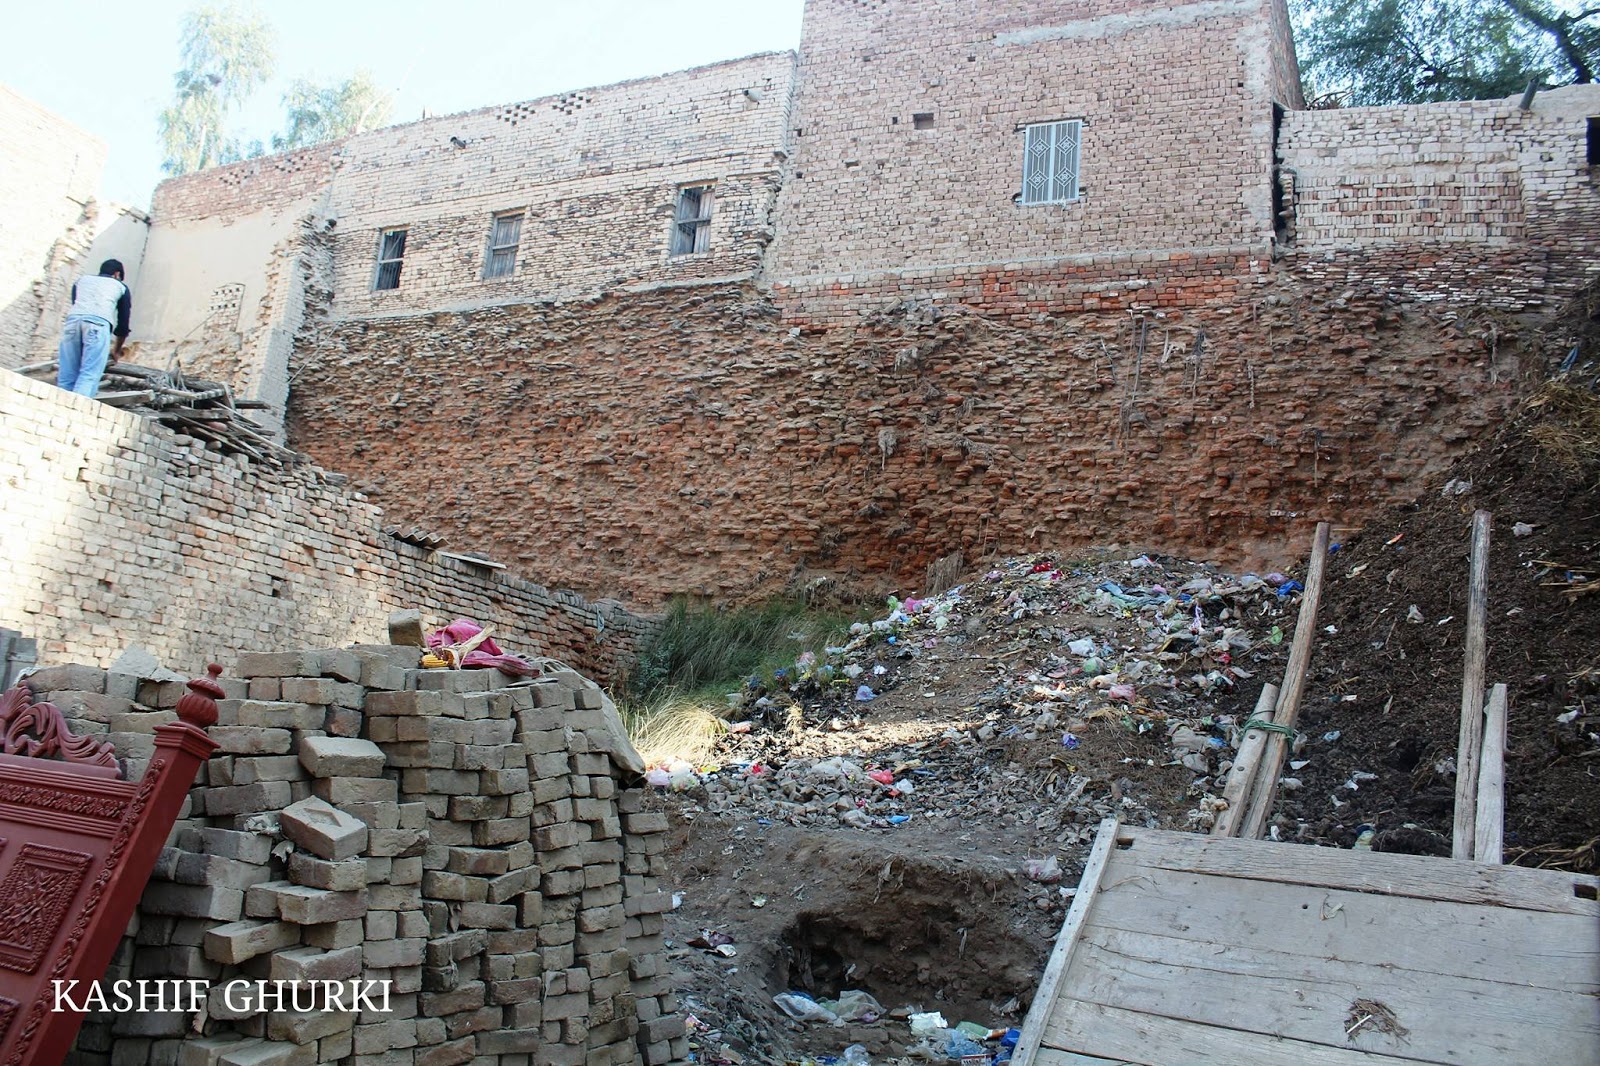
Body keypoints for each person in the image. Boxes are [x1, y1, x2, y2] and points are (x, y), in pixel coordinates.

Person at [57, 258, 132, 398]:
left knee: (67, 374)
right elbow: (123, 325)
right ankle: (75, 411)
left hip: (72, 323)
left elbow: (76, 303)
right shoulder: (120, 287)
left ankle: (59, 407)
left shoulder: (81, 281)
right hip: (97, 325)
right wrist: (116, 350)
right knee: (89, 374)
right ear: (117, 274)